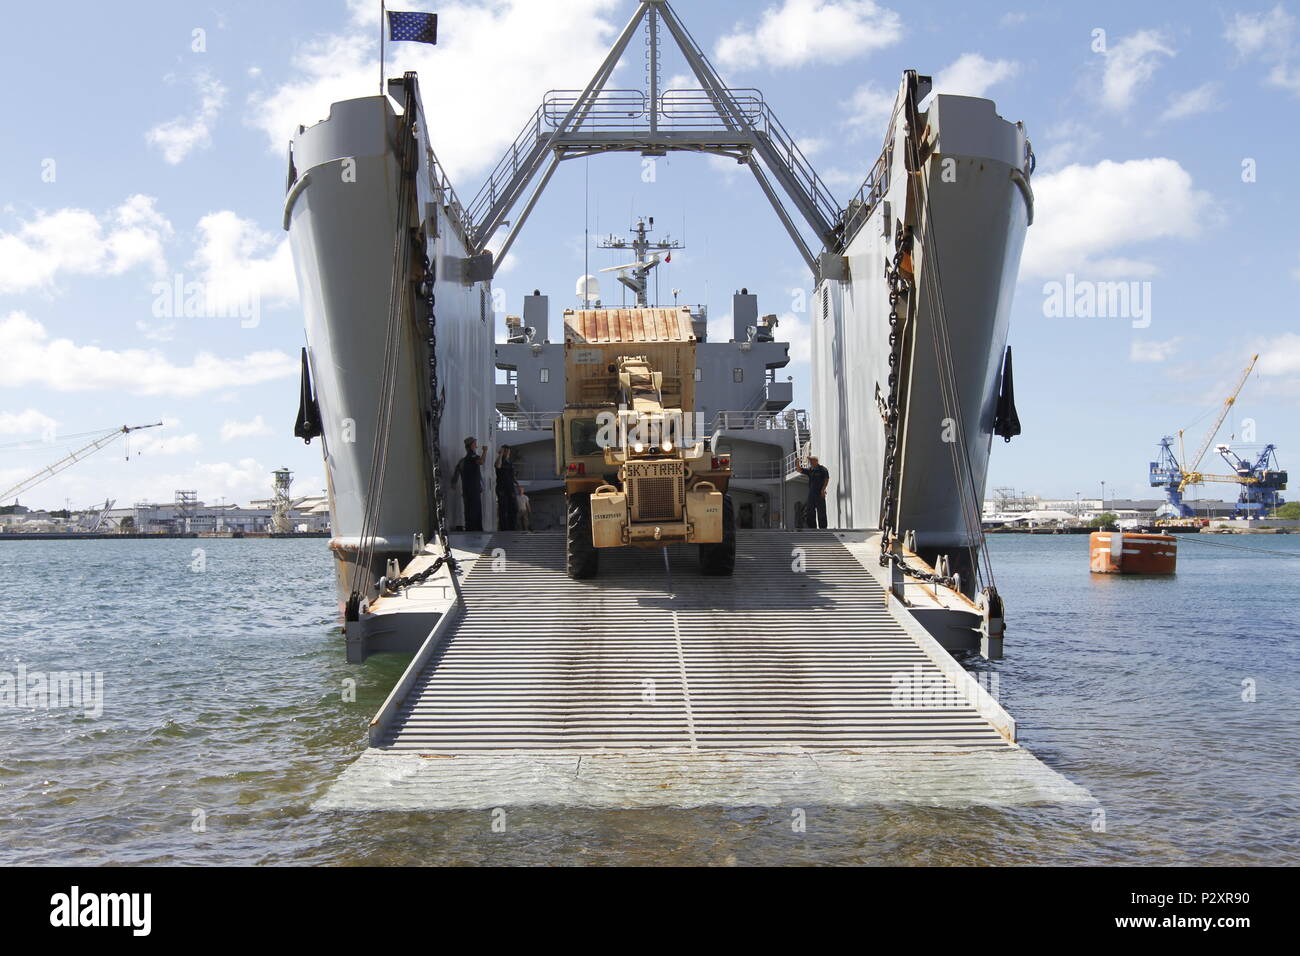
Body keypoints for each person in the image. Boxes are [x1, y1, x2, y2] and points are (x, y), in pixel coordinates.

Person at [452, 436, 487, 532]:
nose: (476, 445)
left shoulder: (463, 460)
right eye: (475, 443)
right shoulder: (472, 457)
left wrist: (454, 482)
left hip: (467, 491)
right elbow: (481, 461)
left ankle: (469, 530)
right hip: (473, 491)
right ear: (471, 445)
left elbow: (457, 470)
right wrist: (485, 451)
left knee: (468, 512)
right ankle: (476, 531)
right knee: (476, 513)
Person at [798, 454, 830, 529]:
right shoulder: (810, 470)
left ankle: (823, 528)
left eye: (811, 460)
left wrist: (823, 489)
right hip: (811, 494)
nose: (810, 462)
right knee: (810, 511)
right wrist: (797, 463)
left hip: (819, 493)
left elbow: (826, 479)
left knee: (821, 511)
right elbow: (799, 470)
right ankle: (812, 528)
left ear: (816, 461)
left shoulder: (822, 469)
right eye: (809, 461)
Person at [495, 445, 518, 531]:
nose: (507, 453)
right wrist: (500, 454)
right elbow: (497, 466)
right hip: (502, 488)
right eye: (505, 451)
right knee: (503, 509)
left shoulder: (510, 463)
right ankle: (504, 528)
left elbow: (512, 475)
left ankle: (512, 527)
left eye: (508, 451)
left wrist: (517, 484)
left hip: (510, 488)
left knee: (513, 508)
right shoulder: (500, 461)